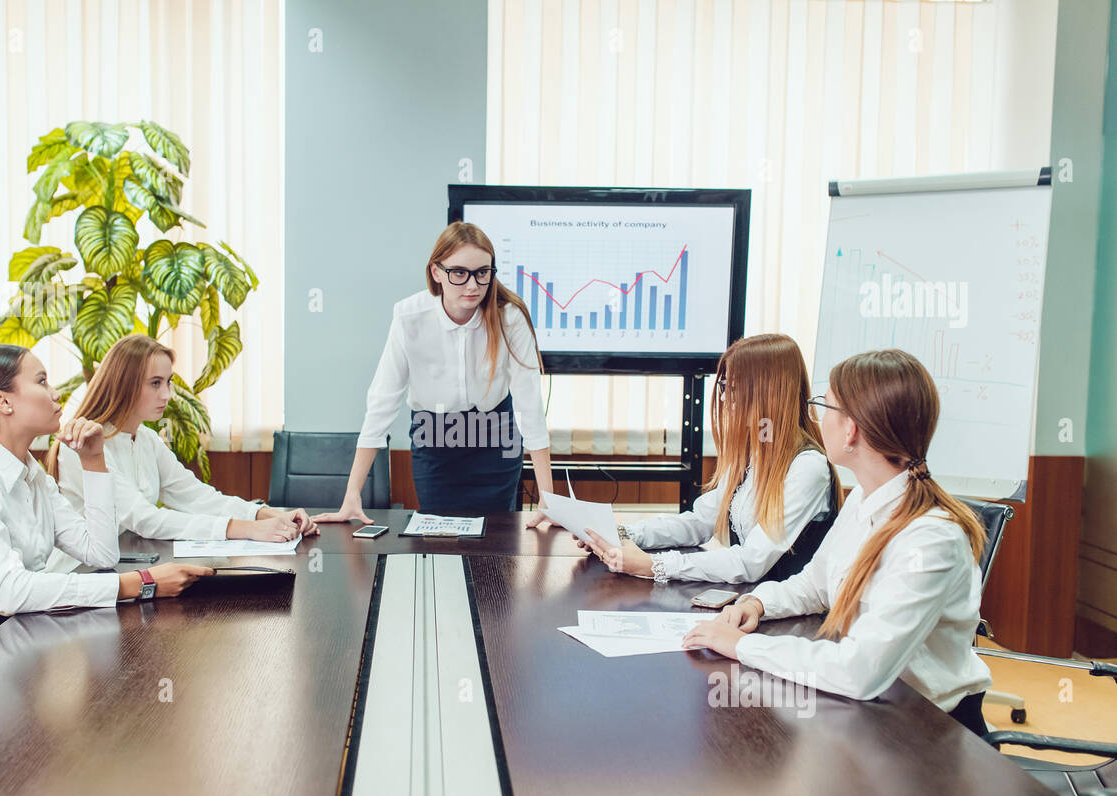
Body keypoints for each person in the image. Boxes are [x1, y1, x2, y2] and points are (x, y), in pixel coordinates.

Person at [682, 349, 993, 735]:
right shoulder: (864, 499)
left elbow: (859, 670)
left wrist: (742, 647)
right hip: (877, 713)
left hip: (931, 733)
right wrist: (759, 602)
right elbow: (816, 584)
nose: (817, 418)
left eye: (824, 406)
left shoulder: (931, 540)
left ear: (851, 431)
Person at [0, 344, 212, 679]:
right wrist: (141, 583)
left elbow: (101, 553)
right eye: (41, 381)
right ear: (2, 401)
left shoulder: (31, 473)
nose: (55, 395)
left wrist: (93, 461)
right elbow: (10, 592)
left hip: (19, 637)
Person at [315, 222, 555, 525]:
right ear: (436, 272)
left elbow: (529, 407)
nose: (472, 286)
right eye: (459, 273)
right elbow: (382, 404)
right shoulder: (409, 317)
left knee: (496, 540)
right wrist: (352, 494)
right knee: (441, 537)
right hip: (436, 437)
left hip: (495, 437)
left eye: (482, 273)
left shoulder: (510, 317)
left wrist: (547, 497)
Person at [579, 333, 839, 583]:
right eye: (725, 387)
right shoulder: (753, 454)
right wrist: (622, 534)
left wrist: (652, 565)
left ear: (766, 393)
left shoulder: (807, 468)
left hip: (786, 617)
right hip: (748, 604)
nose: (725, 399)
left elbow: (750, 562)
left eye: (734, 389)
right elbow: (699, 522)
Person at [50, 334, 316, 543]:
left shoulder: (147, 439)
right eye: (155, 383)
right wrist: (249, 529)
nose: (166, 395)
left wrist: (266, 514)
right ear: (123, 383)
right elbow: (143, 518)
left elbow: (197, 497)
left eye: (168, 382)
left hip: (127, 564)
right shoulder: (82, 446)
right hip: (82, 577)